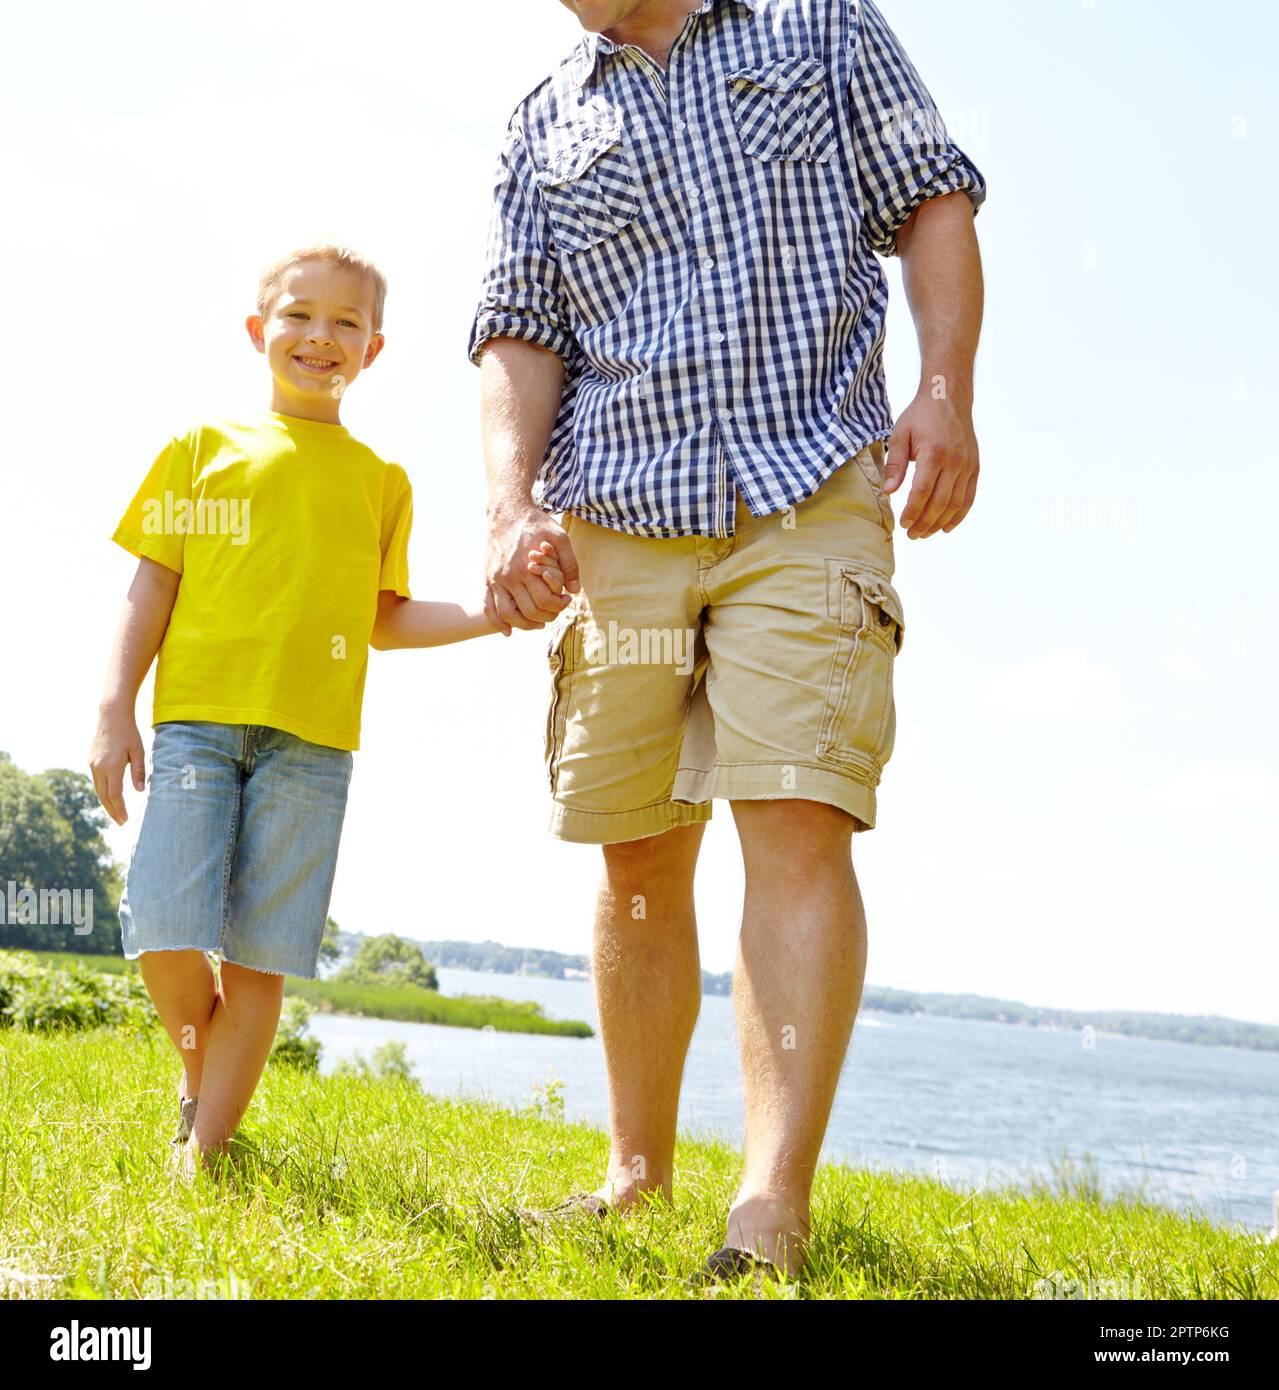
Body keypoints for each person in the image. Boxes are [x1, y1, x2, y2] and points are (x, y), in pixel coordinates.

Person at [472, 0, 986, 1283]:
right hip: (623, 516)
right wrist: (509, 503)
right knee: (636, 844)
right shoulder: (544, 123)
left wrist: (943, 393)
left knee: (795, 810)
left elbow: (931, 198)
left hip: (807, 490)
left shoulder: (817, 25)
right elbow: (516, 329)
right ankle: (635, 1173)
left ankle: (769, 1202)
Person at [88, 244, 548, 1173]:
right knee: (163, 930)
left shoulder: (380, 483)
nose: (320, 336)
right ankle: (199, 1070)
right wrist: (113, 707)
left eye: (347, 323)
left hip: (313, 747)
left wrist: (488, 613)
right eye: (299, 315)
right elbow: (152, 585)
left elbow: (382, 619)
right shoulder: (199, 450)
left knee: (261, 957)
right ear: (260, 332)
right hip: (197, 728)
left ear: (373, 351)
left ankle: (202, 1154)